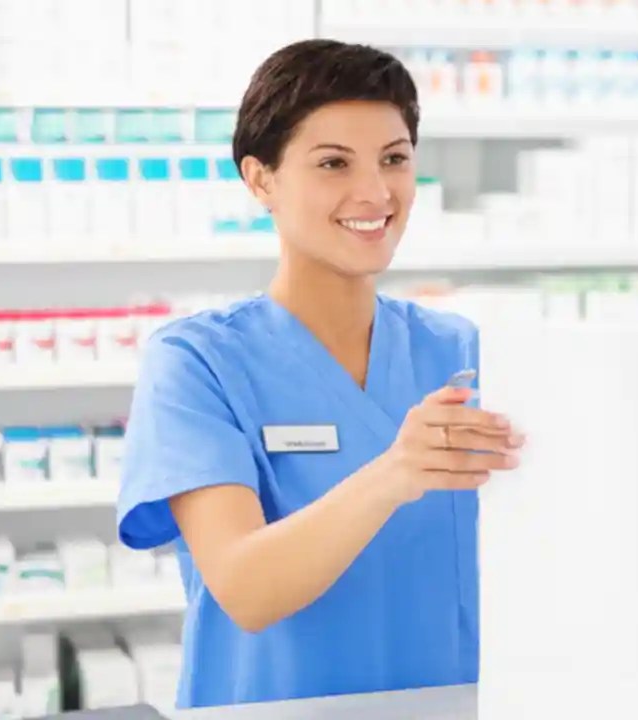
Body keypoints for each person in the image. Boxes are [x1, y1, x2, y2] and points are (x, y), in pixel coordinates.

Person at [116, 40, 523, 709]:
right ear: (261, 179)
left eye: (394, 159)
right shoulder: (197, 365)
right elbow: (246, 589)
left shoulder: (462, 351)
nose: (375, 192)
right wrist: (396, 472)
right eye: (333, 163)